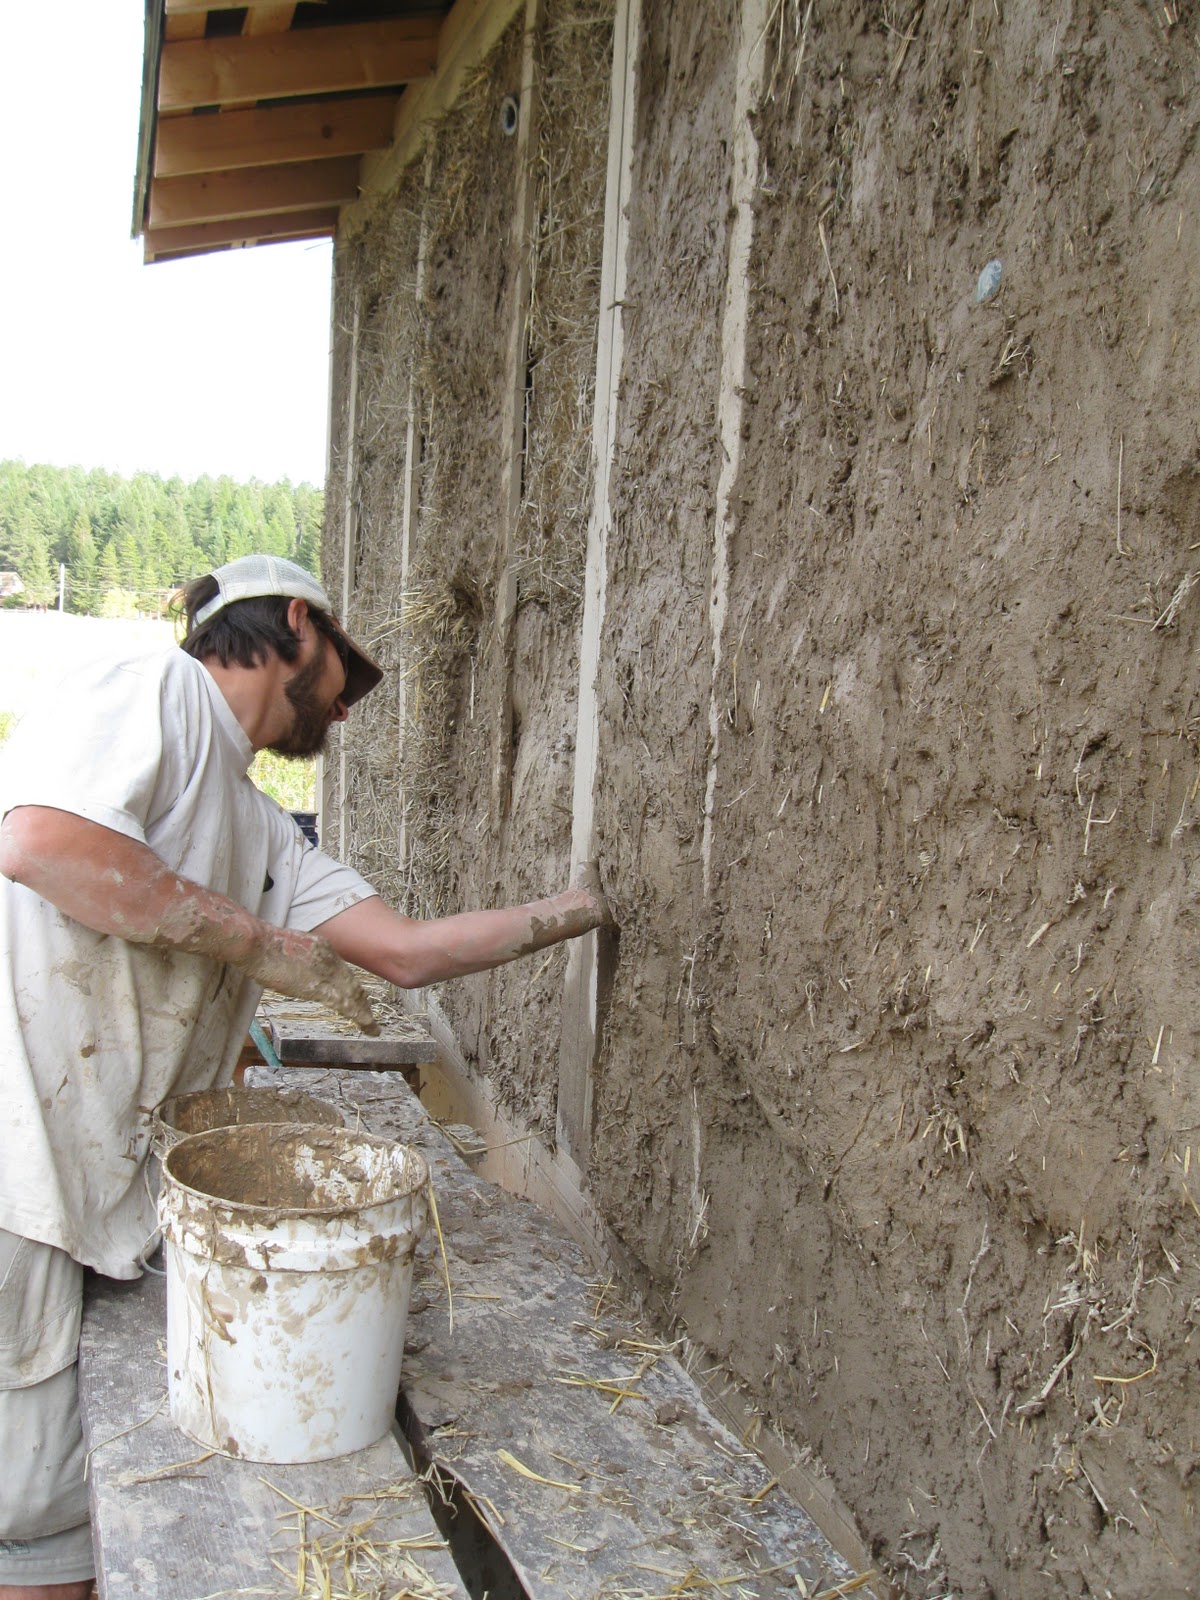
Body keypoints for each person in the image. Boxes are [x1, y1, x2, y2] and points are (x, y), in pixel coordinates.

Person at [0, 554, 608, 1599]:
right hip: (20, 1170)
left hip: (92, 1192)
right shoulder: (155, 693)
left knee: (59, 1512)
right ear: (296, 625)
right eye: (342, 680)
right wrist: (258, 946)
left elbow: (409, 951)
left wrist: (571, 910)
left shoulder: (263, 834)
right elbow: (42, 843)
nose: (343, 709)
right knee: (32, 1524)